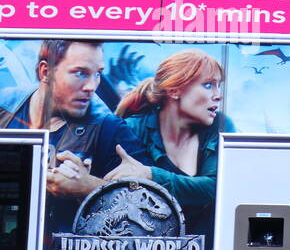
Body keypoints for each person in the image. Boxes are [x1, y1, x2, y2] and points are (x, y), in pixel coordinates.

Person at [0, 39, 148, 206]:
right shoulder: (4, 106)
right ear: (46, 72)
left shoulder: (109, 128)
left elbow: (154, 205)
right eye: (80, 73)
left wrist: (89, 187)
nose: (91, 86)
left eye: (97, 73)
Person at [104, 49, 224, 220]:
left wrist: (151, 175)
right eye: (208, 85)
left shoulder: (218, 128)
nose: (218, 95)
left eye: (218, 86)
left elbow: (215, 188)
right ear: (174, 91)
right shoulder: (131, 129)